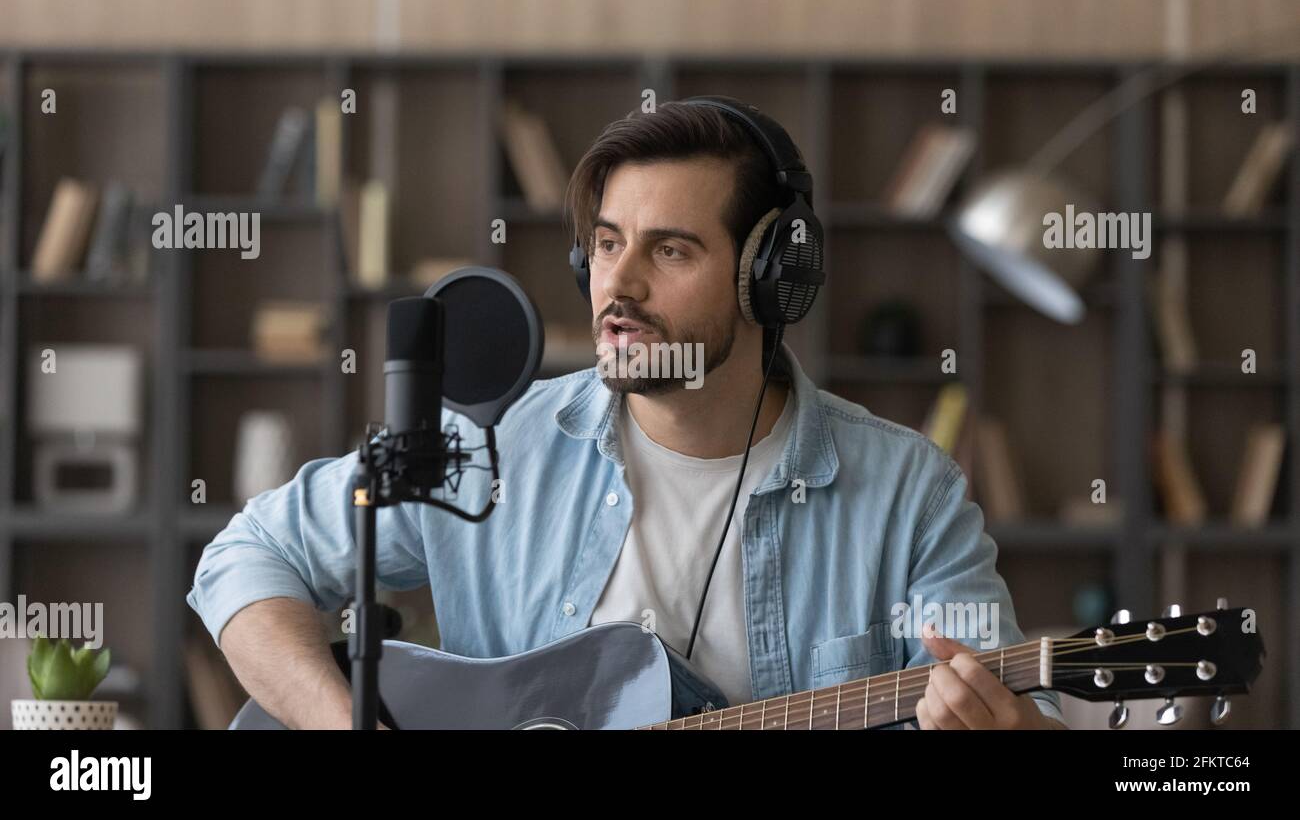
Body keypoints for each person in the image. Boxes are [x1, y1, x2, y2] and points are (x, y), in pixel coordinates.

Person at [187, 97, 1065, 730]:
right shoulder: (496, 445)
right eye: (607, 245)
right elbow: (246, 557)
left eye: (670, 250)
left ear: (771, 274)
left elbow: (1014, 701)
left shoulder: (908, 492)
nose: (621, 285)